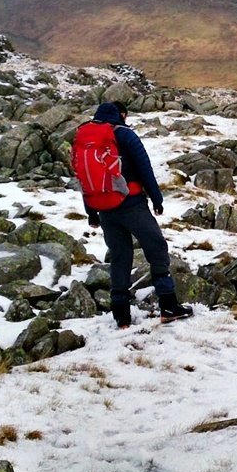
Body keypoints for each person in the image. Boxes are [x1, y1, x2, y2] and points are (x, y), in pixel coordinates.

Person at [73, 102, 192, 327]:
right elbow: (144, 168)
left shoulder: (85, 137)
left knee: (119, 256)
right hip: (131, 204)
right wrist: (157, 199)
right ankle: (168, 305)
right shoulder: (125, 135)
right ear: (122, 114)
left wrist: (92, 212)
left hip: (104, 207)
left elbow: (84, 178)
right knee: (156, 248)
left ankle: (121, 316)